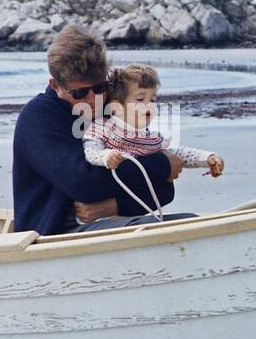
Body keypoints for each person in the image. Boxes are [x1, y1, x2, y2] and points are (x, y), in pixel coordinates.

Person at [11, 25, 188, 235]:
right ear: (55, 85)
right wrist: (161, 164)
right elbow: (84, 183)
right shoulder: (39, 117)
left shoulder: (111, 109)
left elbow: (164, 189)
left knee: (190, 222)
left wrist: (115, 205)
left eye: (99, 88)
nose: (92, 100)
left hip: (107, 221)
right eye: (80, 93)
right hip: (53, 232)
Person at [81, 65, 225, 222]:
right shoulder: (104, 127)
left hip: (131, 209)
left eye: (153, 100)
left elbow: (175, 152)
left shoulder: (148, 136)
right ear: (117, 107)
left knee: (166, 188)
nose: (148, 105)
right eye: (140, 99)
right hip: (101, 211)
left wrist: (207, 158)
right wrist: (105, 156)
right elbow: (91, 149)